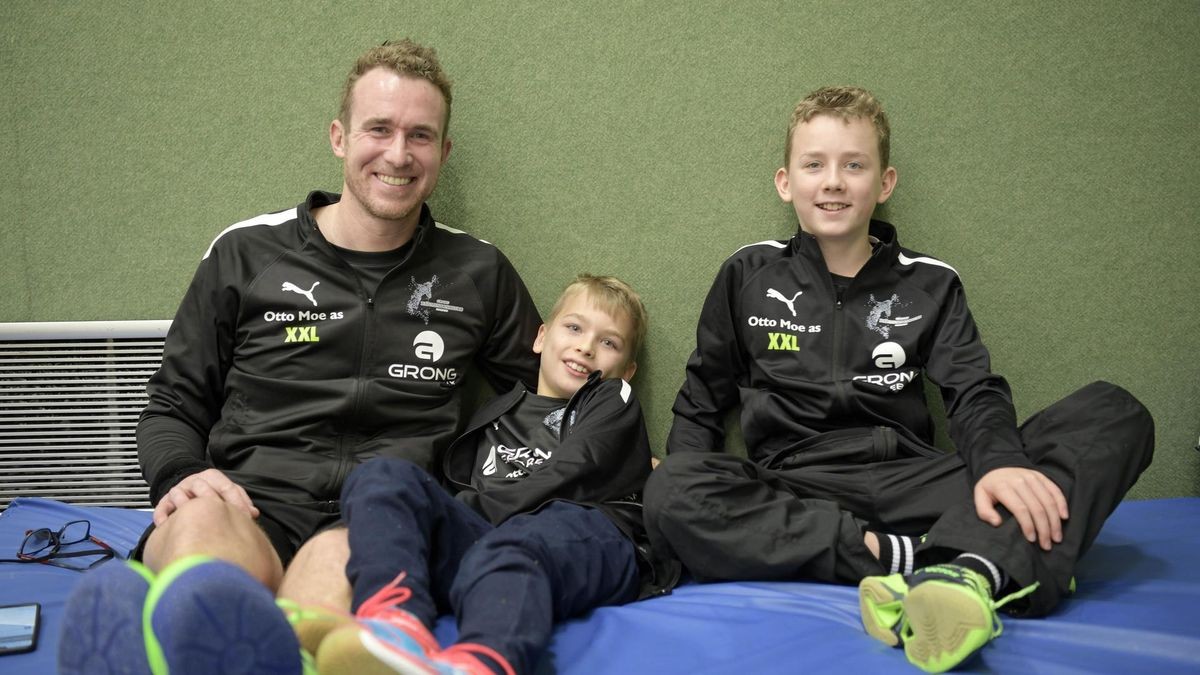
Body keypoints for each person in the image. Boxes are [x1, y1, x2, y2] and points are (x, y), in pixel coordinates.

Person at [59, 39, 541, 675]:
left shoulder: (478, 270)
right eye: (379, 128)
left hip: (376, 515)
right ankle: (182, 626)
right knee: (200, 542)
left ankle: (207, 644)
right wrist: (179, 473)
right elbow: (172, 403)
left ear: (443, 154)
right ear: (339, 137)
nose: (398, 154)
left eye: (420, 136)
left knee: (325, 601)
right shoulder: (246, 253)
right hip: (246, 496)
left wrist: (612, 460)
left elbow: (547, 402)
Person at [642, 86, 1154, 673]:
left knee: (1116, 412)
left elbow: (974, 392)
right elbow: (704, 395)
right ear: (786, 183)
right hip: (797, 490)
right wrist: (679, 483)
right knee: (672, 488)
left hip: (920, 483)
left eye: (853, 164)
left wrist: (998, 465)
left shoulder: (932, 282)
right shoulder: (747, 273)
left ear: (884, 184)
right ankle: (936, 563)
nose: (833, 181)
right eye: (815, 164)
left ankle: (963, 567)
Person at [313, 274, 678, 675]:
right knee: (380, 475)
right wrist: (438, 521)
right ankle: (393, 624)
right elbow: (454, 487)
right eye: (574, 327)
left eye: (609, 342)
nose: (585, 347)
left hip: (586, 532)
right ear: (541, 338)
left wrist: (467, 511)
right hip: (489, 536)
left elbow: (575, 471)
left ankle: (482, 663)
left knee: (517, 542)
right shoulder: (494, 413)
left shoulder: (612, 397)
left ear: (627, 371)